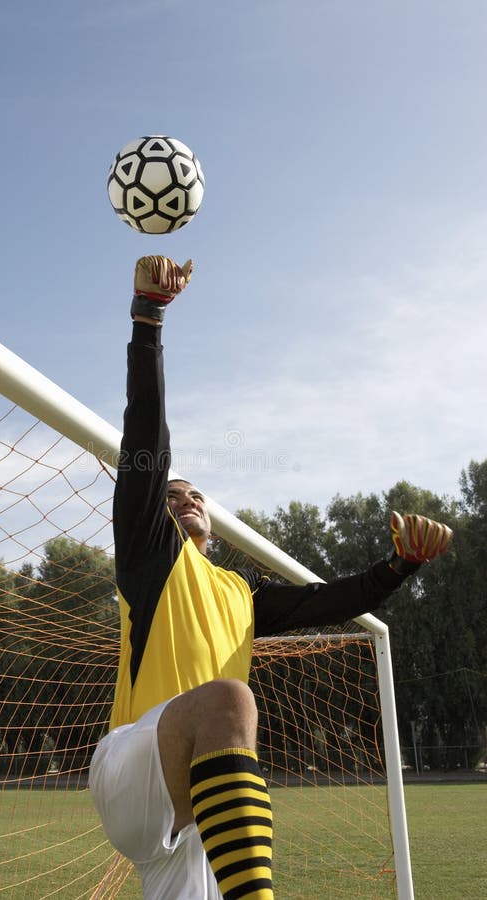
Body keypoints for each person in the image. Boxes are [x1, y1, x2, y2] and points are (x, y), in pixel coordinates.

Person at [89, 256, 453, 900]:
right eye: (171, 495)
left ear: (216, 524)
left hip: (194, 806)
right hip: (134, 763)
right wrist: (149, 320)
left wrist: (403, 564)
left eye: (195, 494)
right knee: (231, 699)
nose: (184, 499)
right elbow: (147, 435)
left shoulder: (240, 596)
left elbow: (337, 599)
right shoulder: (153, 560)